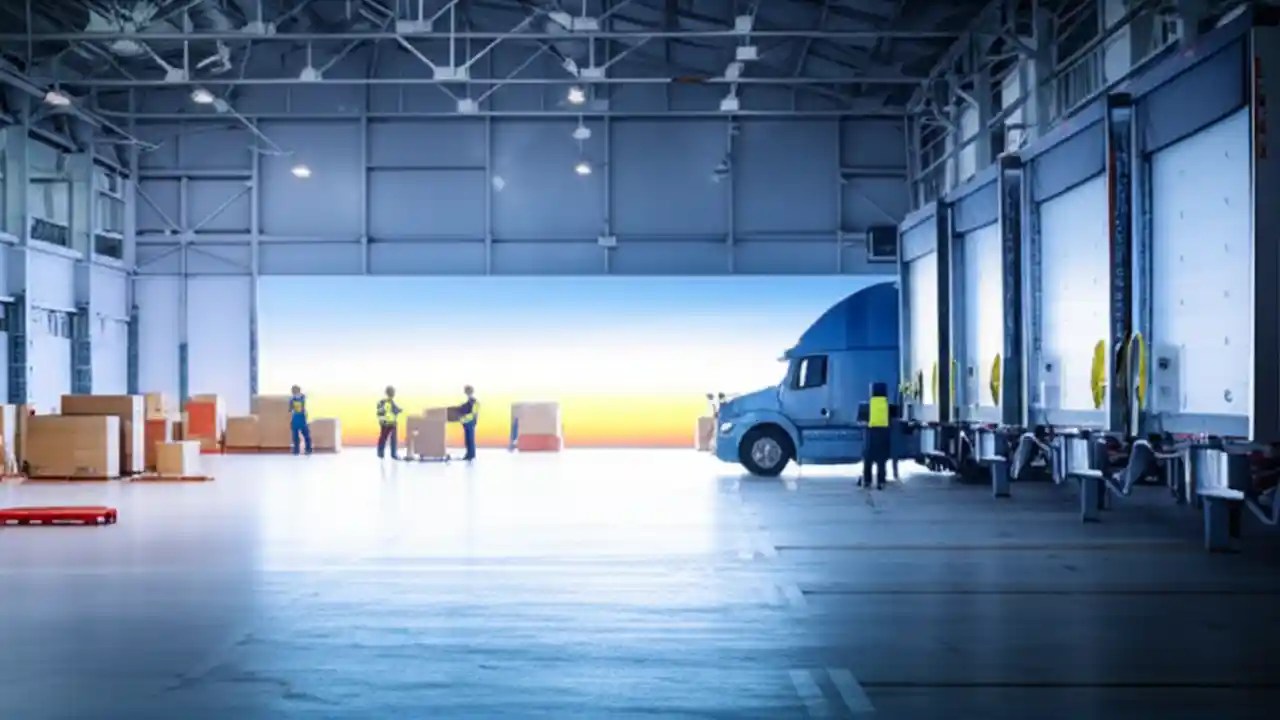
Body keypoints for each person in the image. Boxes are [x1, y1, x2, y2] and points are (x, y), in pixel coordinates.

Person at [857, 381, 899, 490]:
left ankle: (867, 481)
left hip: (870, 439)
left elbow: (860, 421)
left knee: (868, 462)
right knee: (881, 462)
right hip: (884, 438)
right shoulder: (890, 407)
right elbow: (896, 419)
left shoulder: (865, 406)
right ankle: (881, 482)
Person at [452, 385, 480, 462]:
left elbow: (475, 413)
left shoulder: (474, 402)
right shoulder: (467, 402)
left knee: (470, 439)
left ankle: (471, 455)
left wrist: (474, 421)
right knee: (467, 439)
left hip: (470, 422)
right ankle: (468, 454)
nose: (467, 393)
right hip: (466, 422)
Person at [376, 386, 402, 460]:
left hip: (387, 423)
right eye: (393, 392)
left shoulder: (383, 402)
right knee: (389, 439)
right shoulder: (387, 402)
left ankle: (381, 453)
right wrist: (399, 410)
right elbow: (394, 410)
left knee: (384, 438)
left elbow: (380, 412)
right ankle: (391, 454)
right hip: (389, 423)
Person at [289, 385, 312, 456]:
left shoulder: (303, 398)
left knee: (306, 434)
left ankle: (308, 449)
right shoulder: (292, 399)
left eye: (296, 392)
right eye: (294, 392)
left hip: (302, 418)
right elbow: (290, 409)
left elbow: (303, 407)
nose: (295, 394)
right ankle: (296, 450)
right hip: (295, 418)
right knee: (295, 435)